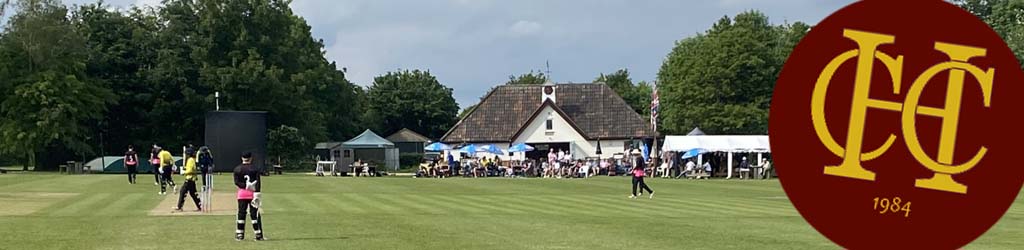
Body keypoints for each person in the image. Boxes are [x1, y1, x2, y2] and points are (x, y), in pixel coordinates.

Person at [234, 152, 264, 241]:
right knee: (254, 214)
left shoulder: (237, 169)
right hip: (253, 194)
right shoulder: (254, 169)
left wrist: (245, 186)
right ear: (250, 158)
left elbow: (236, 182)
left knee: (241, 213)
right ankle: (258, 234)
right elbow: (258, 182)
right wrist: (256, 192)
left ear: (242, 158)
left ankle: (240, 234)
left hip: (242, 194)